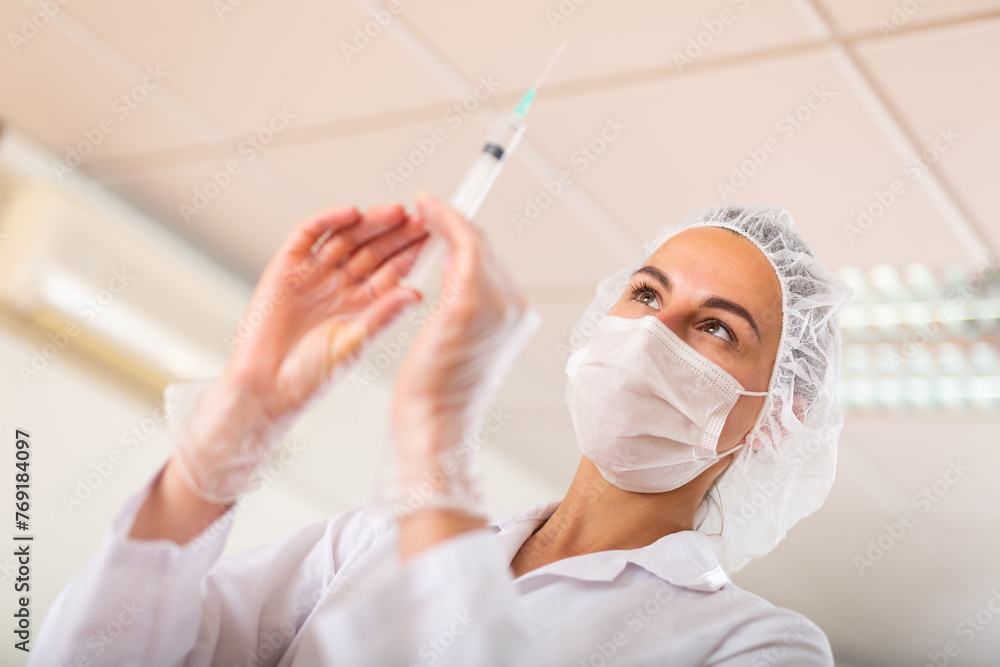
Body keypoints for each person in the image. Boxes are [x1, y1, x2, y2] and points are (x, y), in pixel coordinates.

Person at [31, 192, 853, 666]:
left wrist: (436, 441)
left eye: (716, 327)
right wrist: (219, 450)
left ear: (778, 418)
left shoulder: (757, 646)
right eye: (644, 294)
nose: (651, 334)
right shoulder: (368, 544)